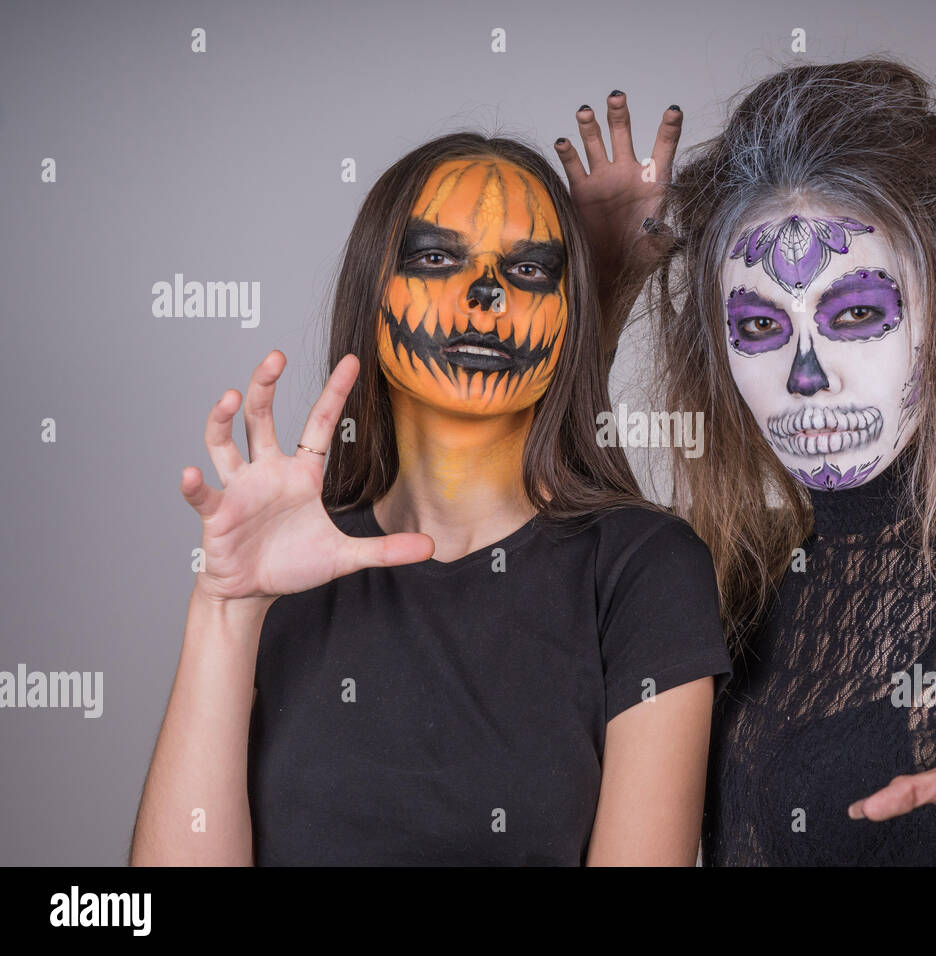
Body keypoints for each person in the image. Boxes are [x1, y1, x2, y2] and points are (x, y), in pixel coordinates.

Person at [557, 59, 936, 866]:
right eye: (762, 329)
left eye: (857, 313)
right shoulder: (732, 580)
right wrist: (602, 295)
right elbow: (572, 542)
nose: (807, 374)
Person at [129, 133, 732, 866]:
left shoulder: (644, 570)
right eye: (437, 258)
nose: (488, 294)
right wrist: (226, 607)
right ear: (372, 288)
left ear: (568, 311)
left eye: (530, 269)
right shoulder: (287, 563)